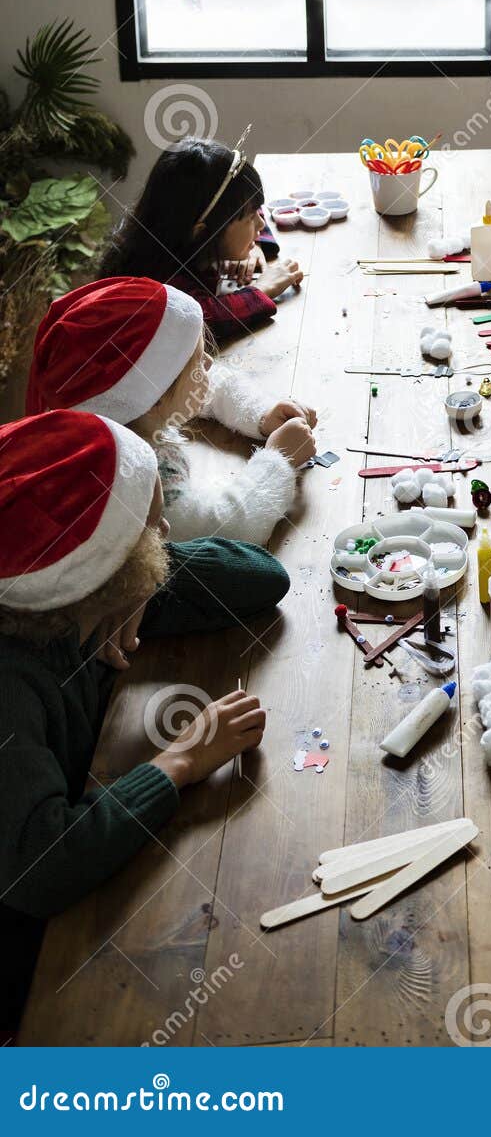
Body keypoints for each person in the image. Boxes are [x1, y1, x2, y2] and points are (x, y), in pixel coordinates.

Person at [0, 411, 283, 1022]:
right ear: (105, 563)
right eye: (153, 532)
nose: (165, 539)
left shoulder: (66, 594)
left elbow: (262, 579)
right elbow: (42, 867)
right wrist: (179, 761)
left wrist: (137, 590)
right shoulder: (13, 682)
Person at [25, 277, 316, 546]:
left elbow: (205, 386)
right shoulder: (140, 474)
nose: (210, 365)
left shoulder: (135, 407)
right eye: (197, 360)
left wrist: (261, 414)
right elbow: (227, 529)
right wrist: (280, 459)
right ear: (155, 395)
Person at [98, 136, 302, 339]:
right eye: (250, 218)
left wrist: (254, 244)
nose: (261, 223)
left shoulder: (181, 238)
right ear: (202, 232)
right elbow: (203, 321)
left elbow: (249, 208)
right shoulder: (161, 285)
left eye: (256, 212)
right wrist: (263, 288)